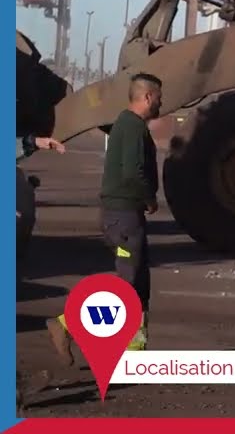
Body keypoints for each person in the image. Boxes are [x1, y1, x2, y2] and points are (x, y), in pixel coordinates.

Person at [47, 72, 164, 364]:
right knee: (127, 284)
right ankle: (67, 325)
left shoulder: (127, 124)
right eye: (159, 97)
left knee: (138, 283)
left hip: (126, 215)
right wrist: (149, 197)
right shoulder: (133, 127)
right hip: (123, 217)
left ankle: (135, 353)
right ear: (148, 97)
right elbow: (132, 172)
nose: (161, 103)